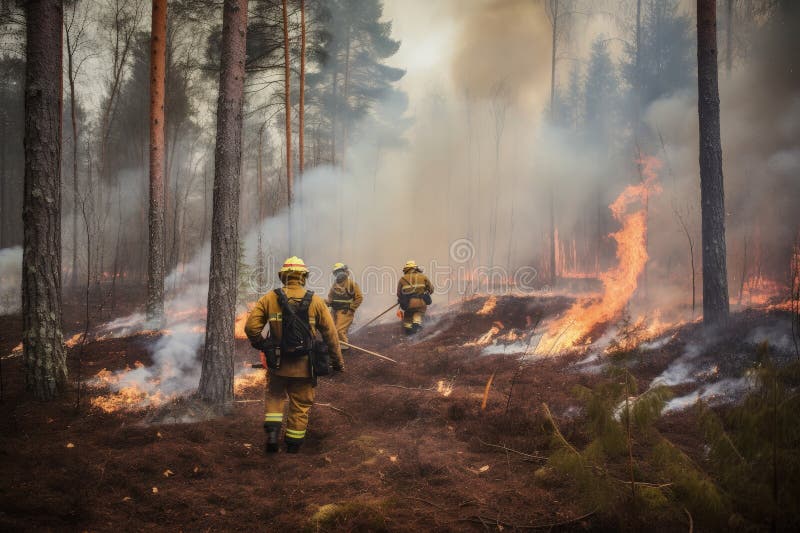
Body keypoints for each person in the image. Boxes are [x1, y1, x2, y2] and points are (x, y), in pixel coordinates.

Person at [244, 256, 344, 454]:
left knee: (274, 396)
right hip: (305, 367)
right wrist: (337, 362)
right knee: (300, 405)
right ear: (303, 277)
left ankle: (272, 435)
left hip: (277, 366)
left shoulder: (270, 298)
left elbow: (250, 328)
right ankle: (293, 447)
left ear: (283, 277)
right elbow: (331, 335)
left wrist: (264, 346)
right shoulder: (315, 301)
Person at [326, 262, 363, 352]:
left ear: (345, 271)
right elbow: (330, 297)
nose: (338, 273)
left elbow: (359, 297)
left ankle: (344, 347)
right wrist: (323, 302)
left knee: (339, 330)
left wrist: (351, 308)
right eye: (336, 272)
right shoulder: (335, 285)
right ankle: (335, 345)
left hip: (345, 311)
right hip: (335, 310)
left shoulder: (351, 284)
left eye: (340, 271)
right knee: (331, 328)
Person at [396, 260, 434, 335]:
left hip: (408, 304)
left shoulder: (402, 279)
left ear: (406, 269)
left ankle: (409, 333)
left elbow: (399, 294)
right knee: (419, 313)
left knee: (408, 316)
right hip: (421, 302)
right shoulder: (423, 277)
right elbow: (431, 289)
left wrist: (402, 300)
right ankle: (416, 325)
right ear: (415, 268)